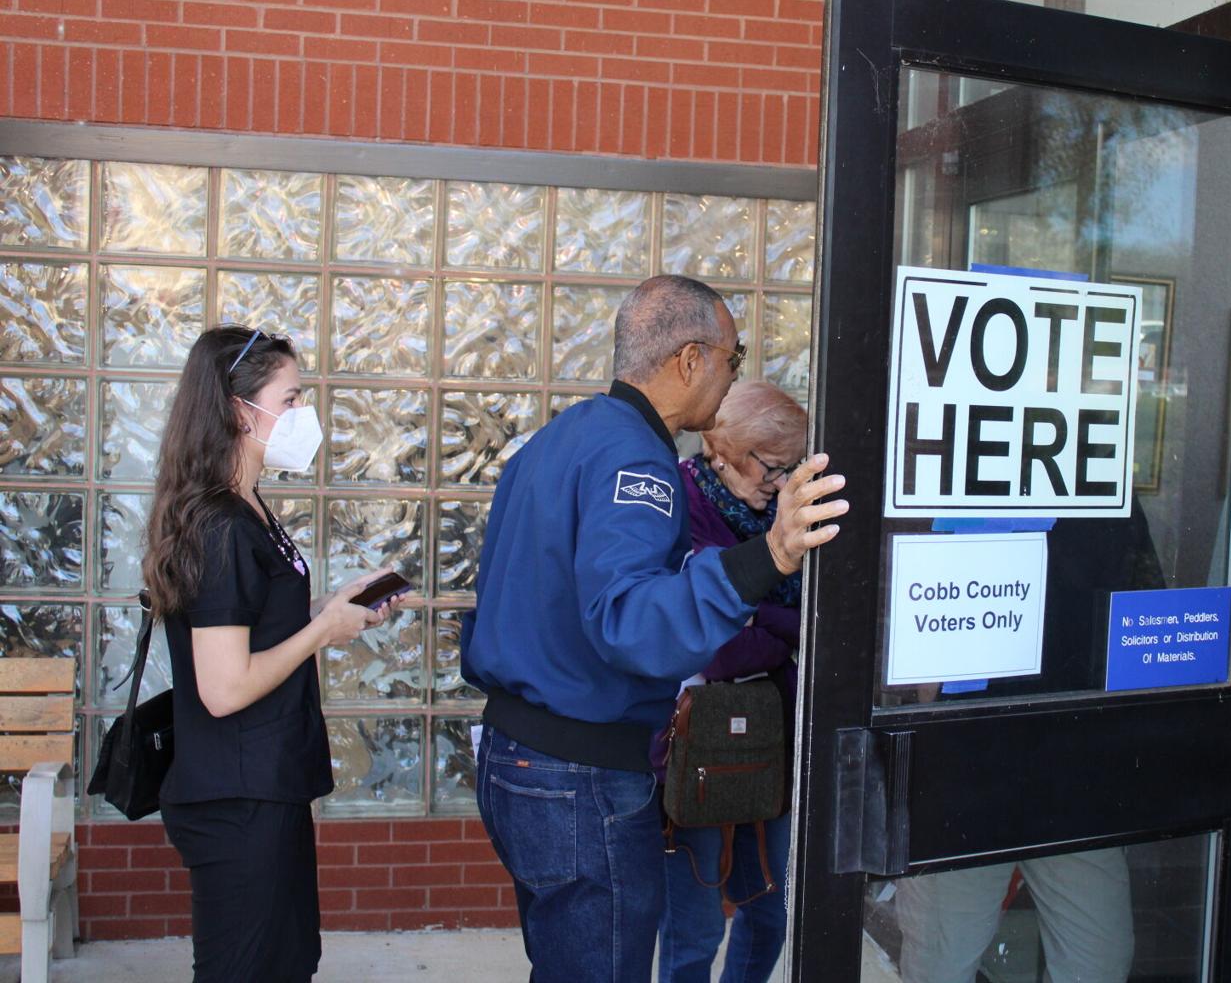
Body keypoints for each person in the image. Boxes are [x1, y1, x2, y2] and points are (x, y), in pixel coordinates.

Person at [462, 275, 848, 983]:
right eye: (733, 358)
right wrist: (771, 554)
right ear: (691, 359)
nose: (734, 374)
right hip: (576, 776)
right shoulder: (636, 459)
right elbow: (632, 624)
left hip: (518, 760)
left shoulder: (560, 439)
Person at [143, 326, 405, 983]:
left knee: (288, 964)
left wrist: (328, 609)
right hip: (237, 798)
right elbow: (224, 688)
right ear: (241, 410)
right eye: (290, 399)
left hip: (268, 783)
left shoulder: (250, 508)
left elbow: (254, 627)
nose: (301, 414)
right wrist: (323, 634)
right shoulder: (222, 527)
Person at [656, 381, 808, 983]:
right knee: (694, 929)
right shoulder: (678, 504)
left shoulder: (787, 509)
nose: (781, 485)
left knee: (770, 911)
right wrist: (789, 628)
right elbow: (712, 649)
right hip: (694, 739)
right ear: (724, 450)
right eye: (773, 468)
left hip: (771, 731)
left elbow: (827, 620)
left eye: (792, 468)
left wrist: (756, 615)